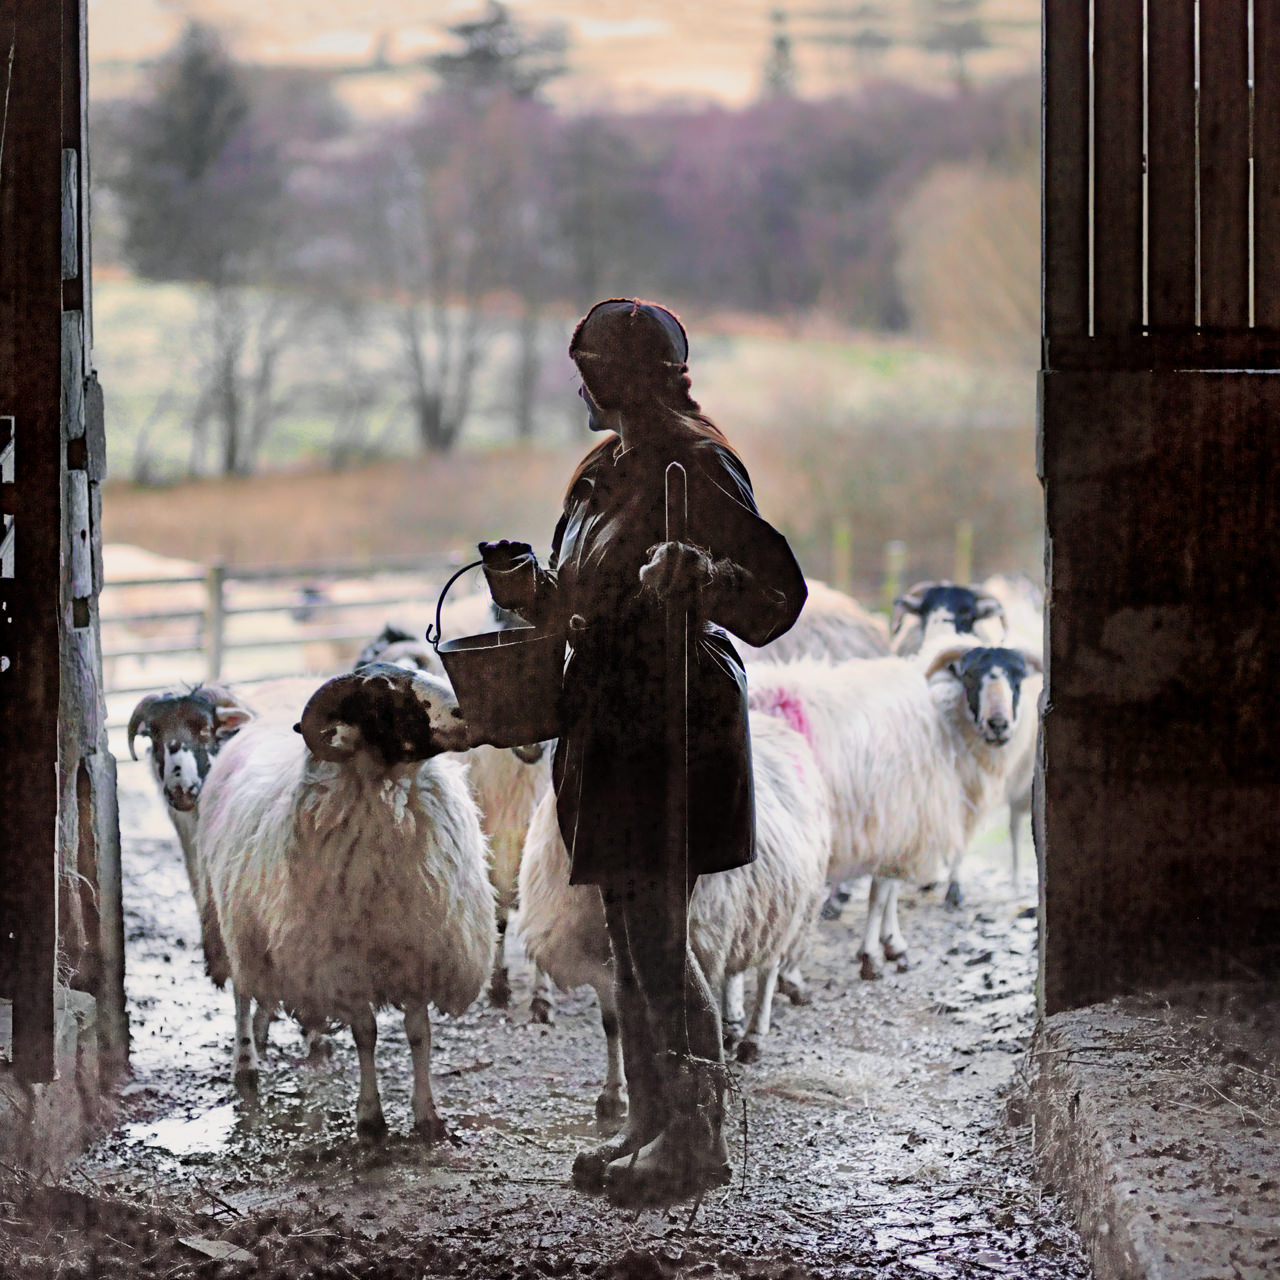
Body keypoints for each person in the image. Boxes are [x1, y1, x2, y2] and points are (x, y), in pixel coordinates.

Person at [478, 298, 806, 1204]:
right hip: (611, 719)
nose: (578, 380)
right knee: (628, 927)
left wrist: (706, 579)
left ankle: (698, 1138)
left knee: (660, 933)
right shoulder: (601, 474)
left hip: (675, 718)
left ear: (621, 374)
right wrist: (530, 593)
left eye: (589, 364)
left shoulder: (697, 465)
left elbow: (775, 598)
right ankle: (654, 1120)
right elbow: (586, 605)